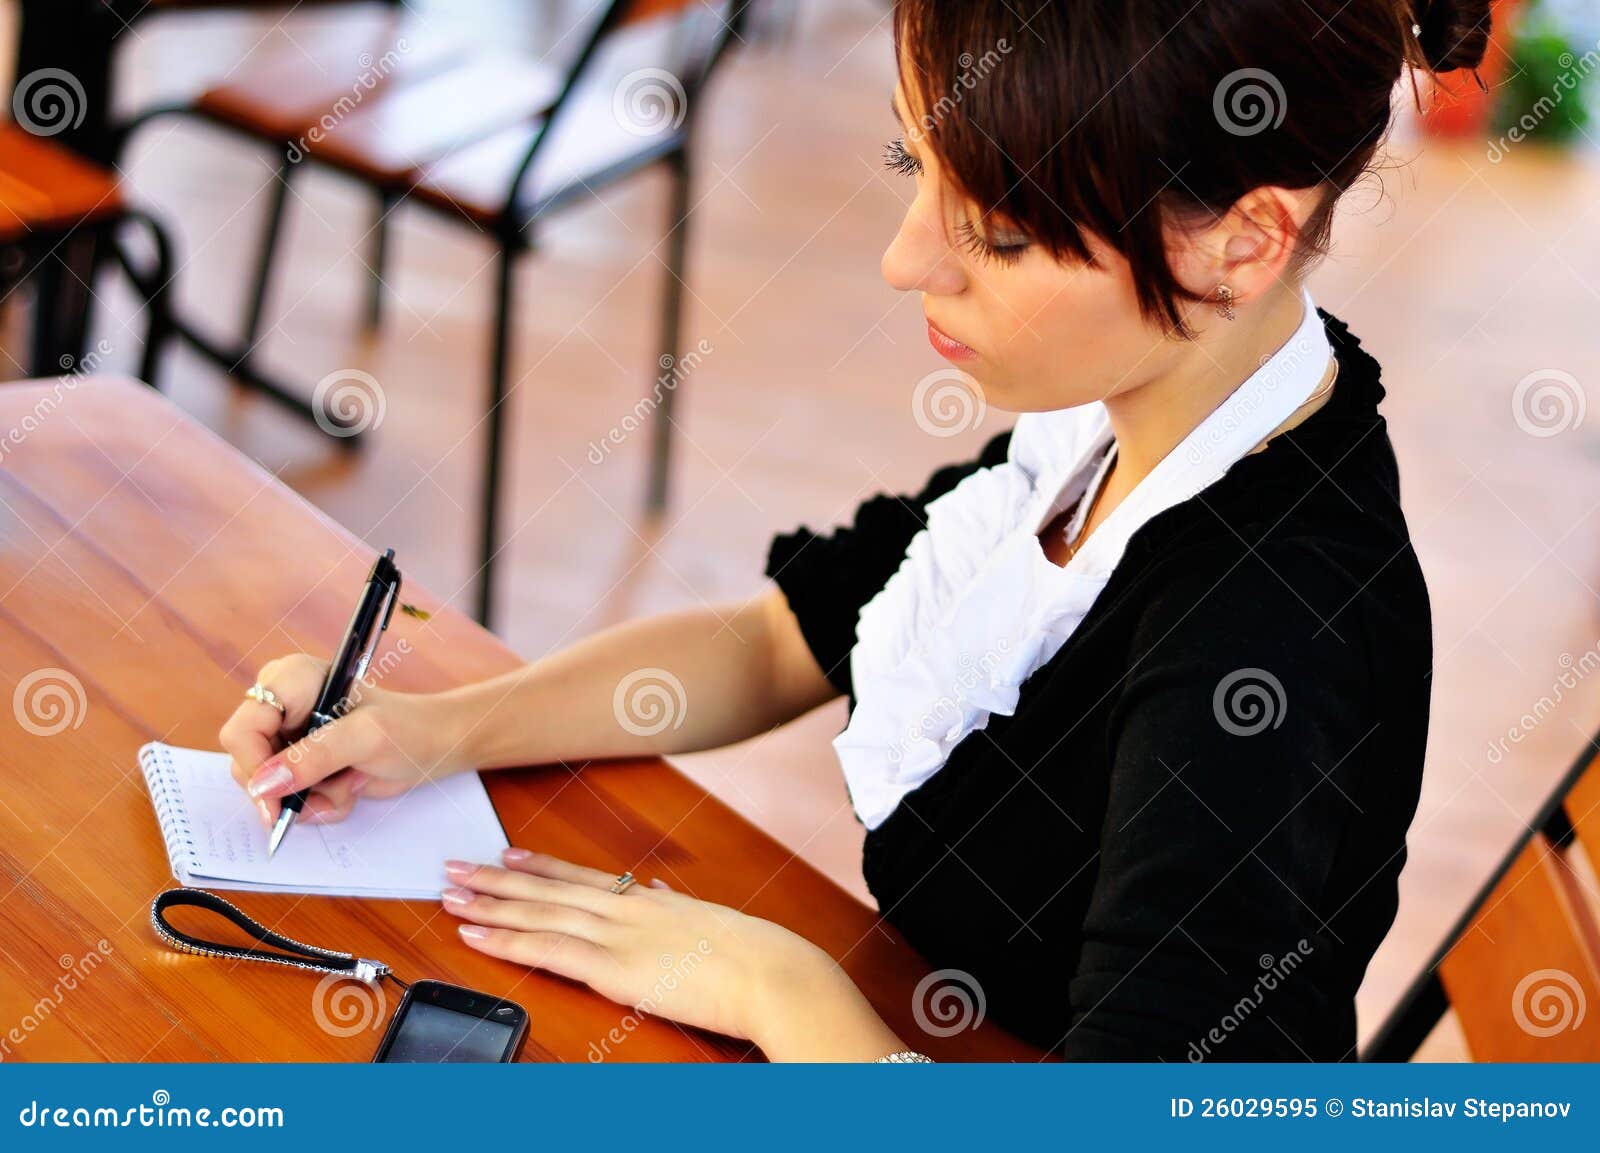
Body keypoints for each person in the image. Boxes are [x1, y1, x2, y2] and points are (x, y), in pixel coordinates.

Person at [221, 0, 1487, 1061]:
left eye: (996, 228)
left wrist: (781, 992)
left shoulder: (1269, 636)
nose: (903, 260)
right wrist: (438, 727)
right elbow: (787, 638)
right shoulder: (1124, 427)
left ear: (1240, 239)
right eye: (913, 172)